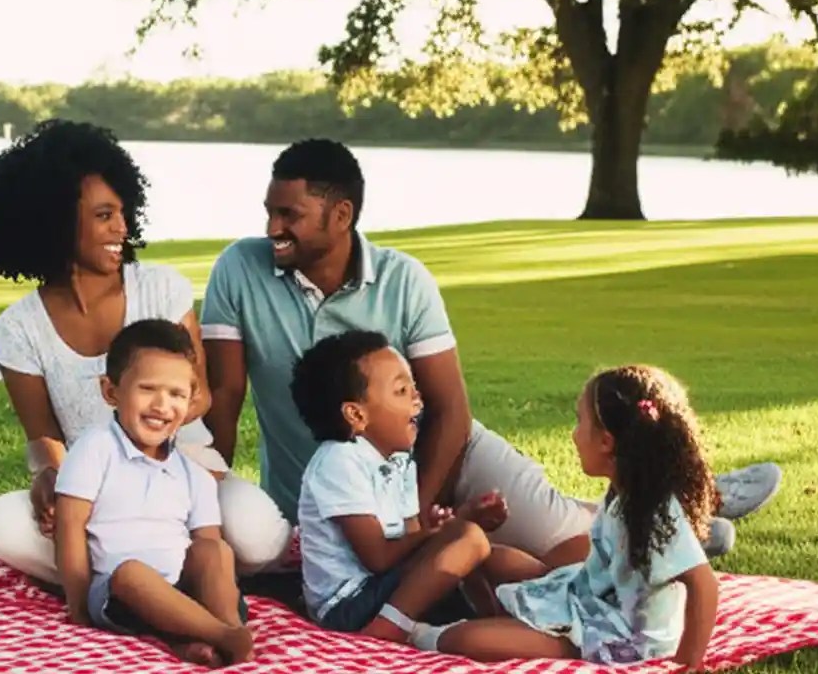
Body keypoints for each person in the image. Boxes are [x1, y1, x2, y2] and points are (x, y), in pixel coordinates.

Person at [198, 138, 782, 567]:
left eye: (289, 215)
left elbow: (449, 411)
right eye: (270, 212)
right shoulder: (239, 269)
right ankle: (660, 517)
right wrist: (204, 497)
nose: (272, 226)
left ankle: (689, 507)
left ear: (342, 215)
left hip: (445, 458)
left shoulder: (405, 282)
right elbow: (224, 397)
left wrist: (413, 515)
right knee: (502, 561)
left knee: (568, 553)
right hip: (335, 491)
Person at [0, 119, 291, 584]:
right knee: (3, 524)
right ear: (54, 222)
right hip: (95, 495)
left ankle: (123, 574)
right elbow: (43, 438)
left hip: (184, 470)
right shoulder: (20, 328)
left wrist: (147, 456)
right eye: (103, 216)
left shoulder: (160, 289)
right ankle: (166, 575)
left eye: (122, 212)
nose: (122, 227)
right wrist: (49, 478)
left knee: (261, 535)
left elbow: (197, 396)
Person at [418, 365, 720, 671]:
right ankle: (501, 619)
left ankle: (425, 634)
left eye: (580, 422)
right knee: (488, 557)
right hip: (584, 597)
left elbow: (704, 585)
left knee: (459, 640)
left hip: (608, 637)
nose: (574, 435)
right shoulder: (625, 494)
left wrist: (688, 664)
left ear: (606, 442)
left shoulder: (655, 510)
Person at [291, 330, 521, 644]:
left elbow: (411, 537)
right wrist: (444, 532)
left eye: (413, 386)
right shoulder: (339, 462)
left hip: (386, 589)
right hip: (348, 606)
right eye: (401, 390)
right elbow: (379, 558)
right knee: (468, 541)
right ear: (356, 414)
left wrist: (458, 520)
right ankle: (385, 632)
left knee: (487, 554)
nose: (417, 397)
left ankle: (549, 595)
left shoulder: (398, 460)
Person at [54, 319, 254, 667]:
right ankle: (224, 636)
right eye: (148, 389)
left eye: (177, 394)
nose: (163, 405)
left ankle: (218, 631)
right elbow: (69, 526)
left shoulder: (193, 474)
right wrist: (78, 606)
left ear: (191, 401)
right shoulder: (96, 449)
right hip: (121, 595)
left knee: (216, 551)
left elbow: (207, 548)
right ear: (111, 391)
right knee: (132, 572)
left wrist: (212, 575)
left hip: (187, 594)